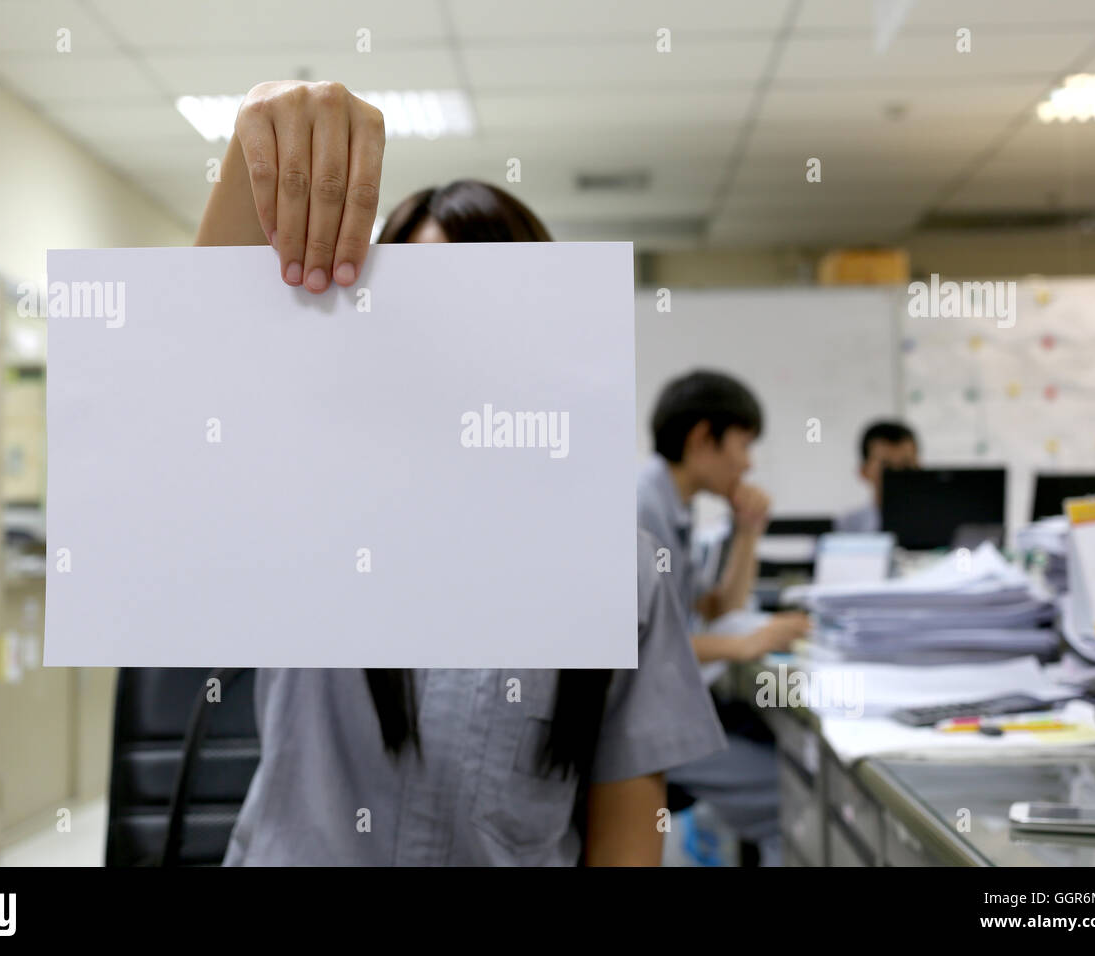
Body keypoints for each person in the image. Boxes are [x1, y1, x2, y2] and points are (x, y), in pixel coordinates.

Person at [198, 80, 726, 865]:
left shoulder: (616, 572)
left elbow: (628, 827)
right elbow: (198, 384)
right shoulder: (307, 511)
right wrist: (257, 149)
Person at [637, 369, 810, 867]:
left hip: (666, 708)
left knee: (777, 757)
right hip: (642, 724)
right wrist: (745, 643)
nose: (748, 463)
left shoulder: (674, 506)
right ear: (702, 437)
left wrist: (748, 533)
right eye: (743, 444)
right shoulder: (641, 508)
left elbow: (717, 607)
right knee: (792, 795)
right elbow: (639, 645)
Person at [836, 420, 921, 533]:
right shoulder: (847, 526)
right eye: (887, 467)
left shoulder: (938, 520)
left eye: (906, 466)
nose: (897, 475)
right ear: (864, 471)